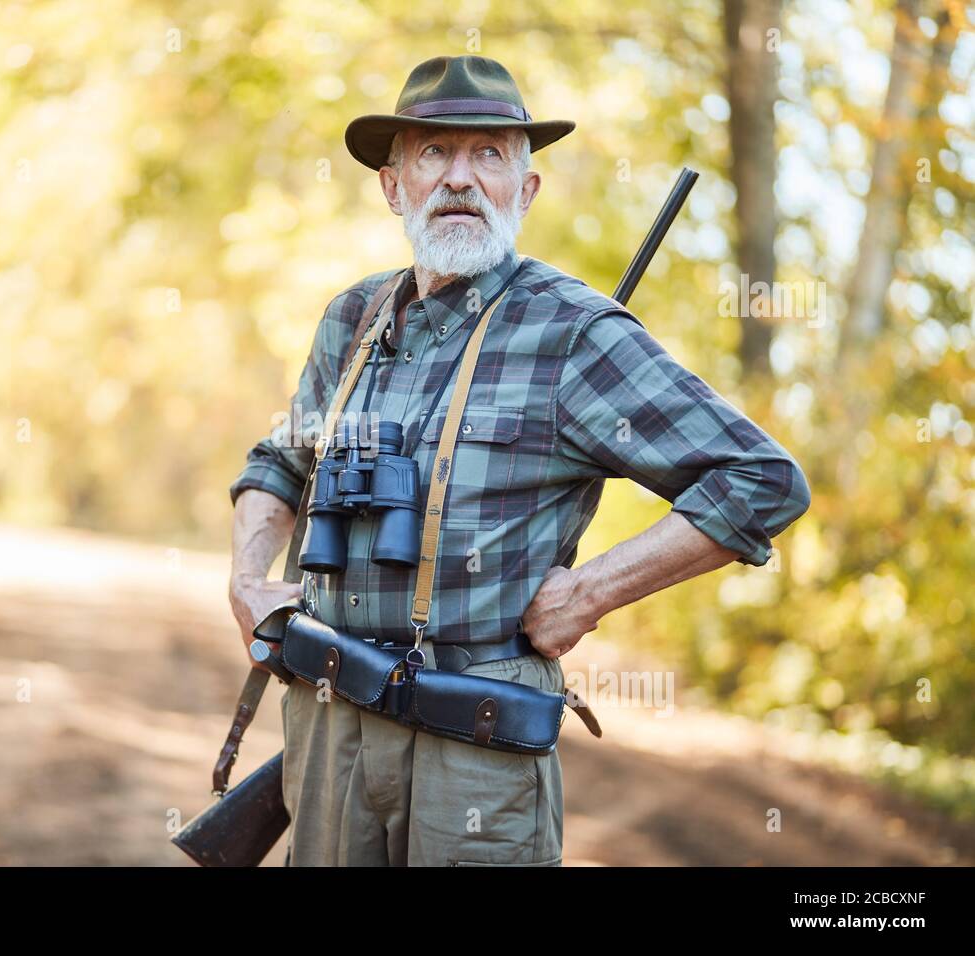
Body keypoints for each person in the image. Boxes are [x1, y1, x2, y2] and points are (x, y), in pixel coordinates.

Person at [227, 55, 810, 866]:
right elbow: (280, 459)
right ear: (393, 186)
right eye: (433, 153)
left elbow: (762, 480)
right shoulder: (352, 318)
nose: (459, 178)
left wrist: (592, 592)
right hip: (329, 729)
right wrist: (249, 576)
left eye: (490, 154)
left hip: (476, 744)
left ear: (524, 191)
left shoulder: (572, 332)